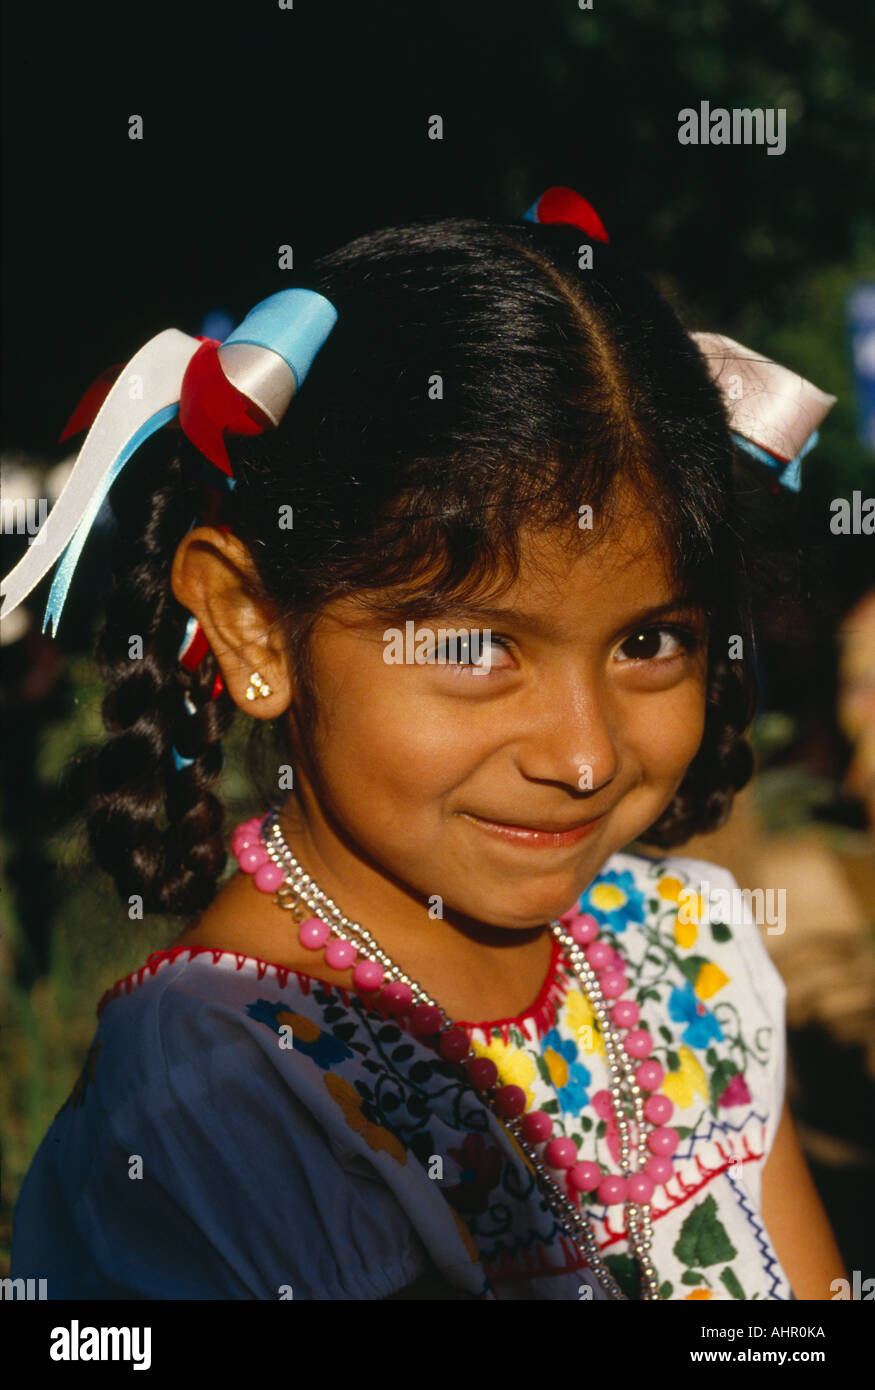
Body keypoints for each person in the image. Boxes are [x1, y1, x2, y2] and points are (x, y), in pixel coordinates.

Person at [6, 187, 847, 1300]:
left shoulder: (682, 947)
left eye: (649, 640)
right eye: (472, 648)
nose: (583, 755)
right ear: (254, 626)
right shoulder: (220, 1089)